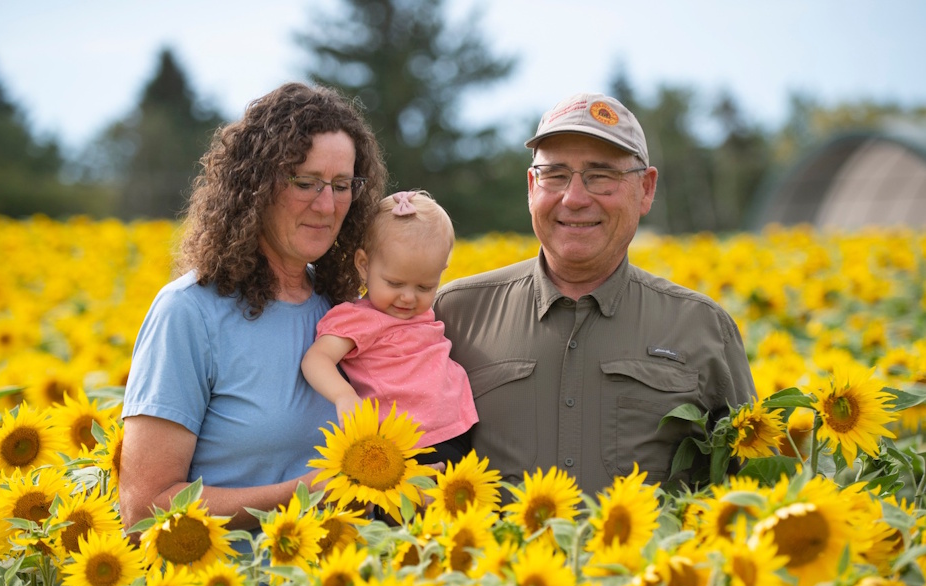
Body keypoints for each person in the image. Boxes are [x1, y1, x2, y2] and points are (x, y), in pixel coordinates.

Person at [433, 92, 756, 497]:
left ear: (646, 189)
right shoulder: (456, 315)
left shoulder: (703, 327)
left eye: (601, 175)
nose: (575, 198)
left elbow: (752, 490)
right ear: (532, 187)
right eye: (555, 175)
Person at [119, 82, 387, 533]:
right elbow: (144, 508)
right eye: (305, 183)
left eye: (342, 186)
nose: (327, 205)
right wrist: (309, 494)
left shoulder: (346, 308)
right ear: (255, 185)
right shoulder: (189, 313)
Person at [301, 190, 477, 466]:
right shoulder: (359, 318)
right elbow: (316, 359)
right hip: (407, 443)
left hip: (459, 426)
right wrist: (344, 396)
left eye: (424, 287)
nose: (408, 297)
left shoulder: (423, 310)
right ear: (364, 265)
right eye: (395, 284)